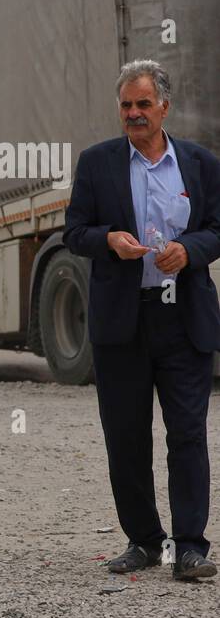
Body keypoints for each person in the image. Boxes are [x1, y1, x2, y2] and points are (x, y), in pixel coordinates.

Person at [64, 59, 220, 580]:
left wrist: (190, 250)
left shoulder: (199, 163)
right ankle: (144, 541)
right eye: (126, 105)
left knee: (187, 434)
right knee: (126, 436)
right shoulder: (97, 163)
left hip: (184, 321)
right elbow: (74, 232)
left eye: (143, 104)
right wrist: (107, 240)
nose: (133, 114)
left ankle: (191, 546)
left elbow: (218, 229)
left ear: (164, 108)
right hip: (123, 324)